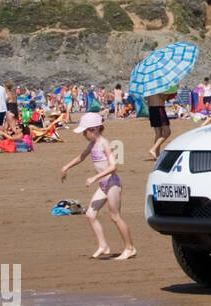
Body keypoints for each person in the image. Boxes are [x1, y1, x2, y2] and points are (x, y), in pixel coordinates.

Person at [61, 112, 135, 260]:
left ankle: (130, 248)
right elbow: (81, 157)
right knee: (90, 214)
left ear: (94, 129)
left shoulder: (104, 143)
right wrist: (66, 167)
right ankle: (103, 246)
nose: (84, 134)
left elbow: (113, 166)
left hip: (112, 184)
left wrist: (94, 177)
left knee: (115, 216)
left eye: (85, 131)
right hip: (103, 185)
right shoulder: (92, 144)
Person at [146, 91, 172, 160]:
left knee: (158, 133)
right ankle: (153, 149)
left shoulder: (149, 88)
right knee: (167, 132)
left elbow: (148, 101)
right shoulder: (158, 87)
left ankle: (157, 155)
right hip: (159, 108)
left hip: (151, 109)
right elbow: (162, 97)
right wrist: (169, 94)